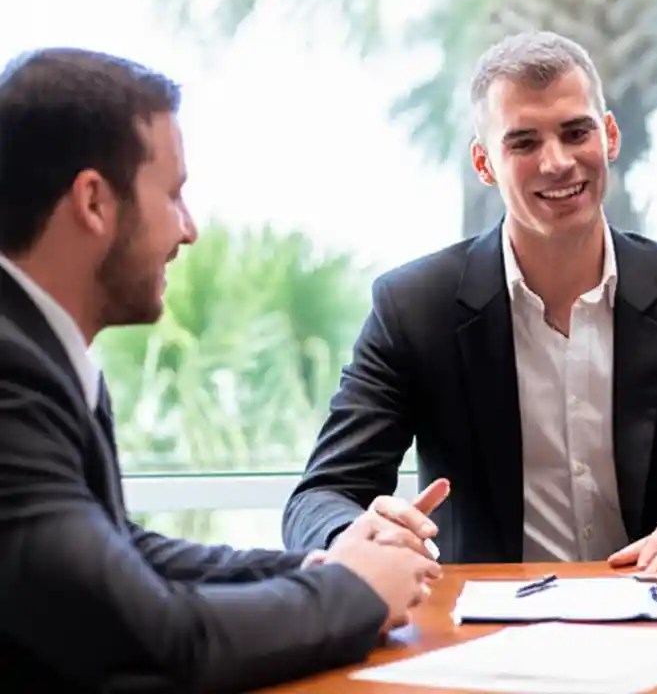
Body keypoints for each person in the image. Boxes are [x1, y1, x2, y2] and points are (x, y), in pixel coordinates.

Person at [0, 48, 443, 692]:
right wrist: (352, 593)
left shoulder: (35, 349)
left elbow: (121, 551)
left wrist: (320, 567)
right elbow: (154, 636)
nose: (189, 229)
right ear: (94, 202)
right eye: (174, 193)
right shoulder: (12, 376)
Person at [283, 30, 657, 571]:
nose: (556, 162)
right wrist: (356, 536)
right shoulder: (414, 308)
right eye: (524, 142)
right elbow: (318, 500)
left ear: (608, 135)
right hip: (479, 634)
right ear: (485, 164)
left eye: (575, 132)